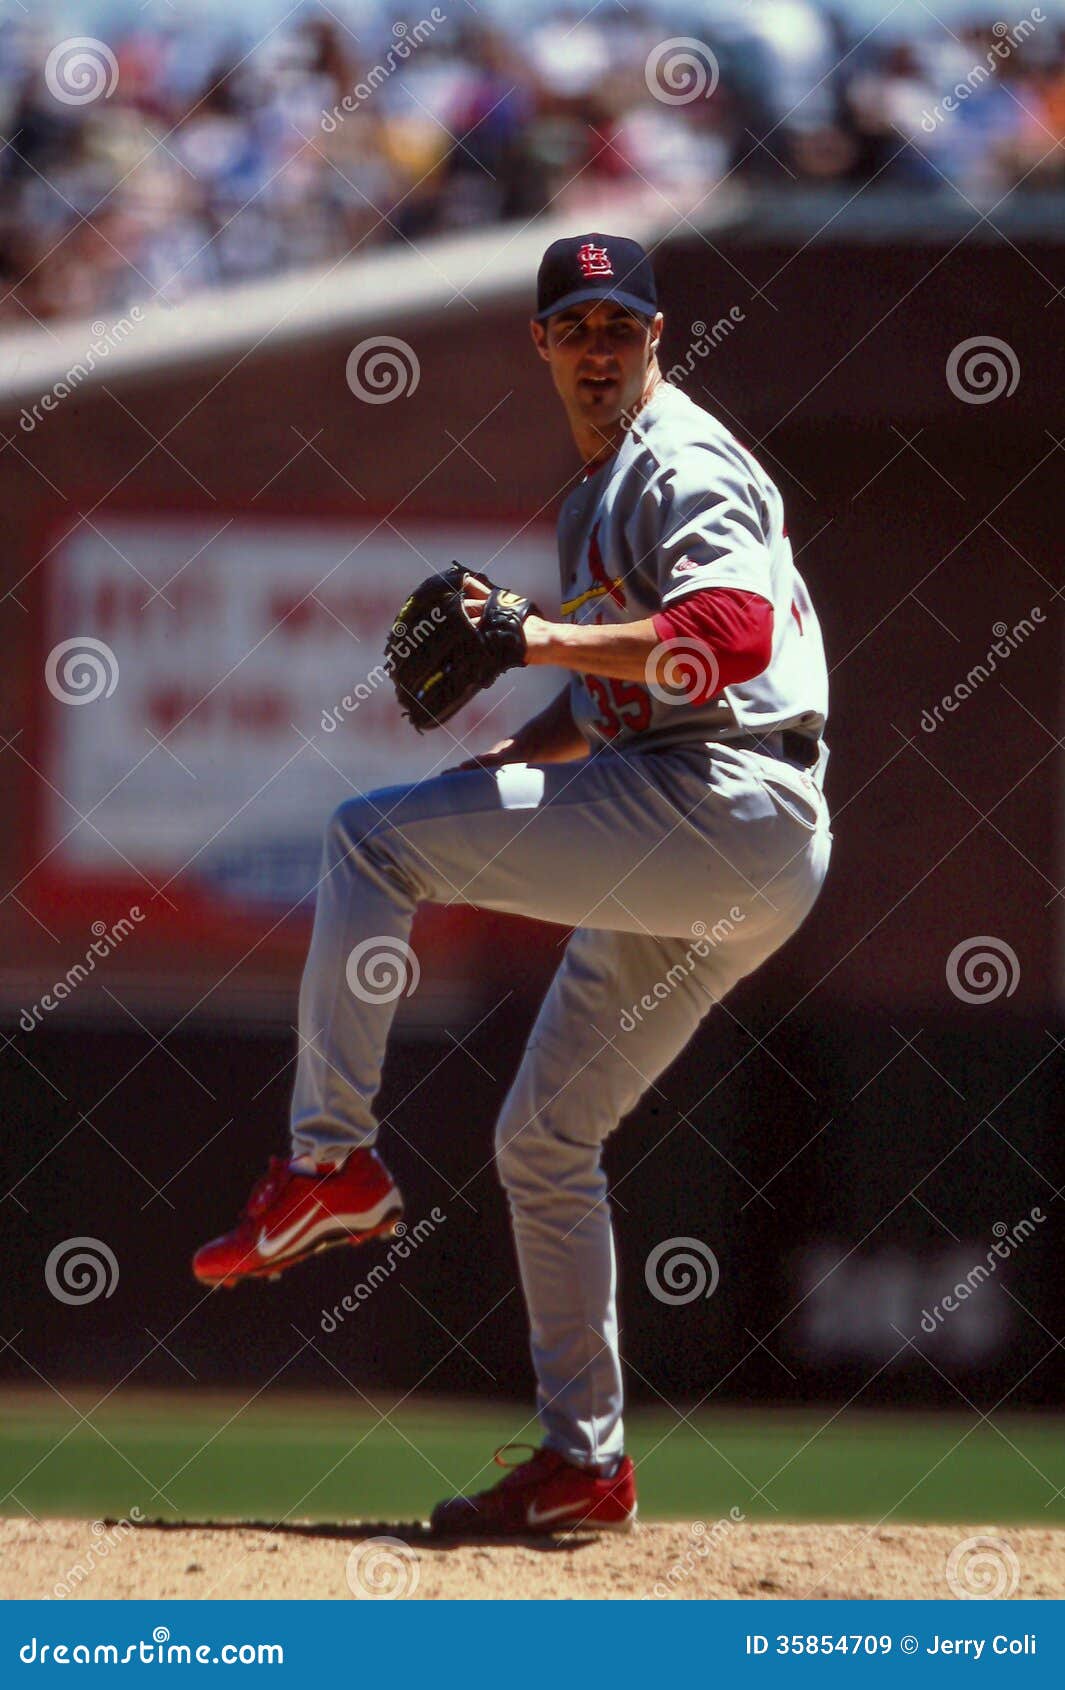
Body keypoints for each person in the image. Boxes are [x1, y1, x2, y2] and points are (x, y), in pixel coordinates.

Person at [193, 231, 832, 1536]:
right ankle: (582, 1461)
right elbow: (622, 689)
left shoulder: (676, 460)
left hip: (722, 802)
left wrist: (532, 633)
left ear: (656, 339)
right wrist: (530, 735)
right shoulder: (595, 493)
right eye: (576, 327)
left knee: (371, 840)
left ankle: (331, 1165)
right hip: (723, 831)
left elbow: (725, 640)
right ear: (541, 344)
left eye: (622, 326)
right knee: (543, 1140)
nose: (600, 348)